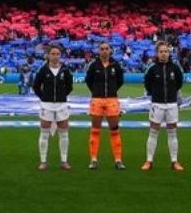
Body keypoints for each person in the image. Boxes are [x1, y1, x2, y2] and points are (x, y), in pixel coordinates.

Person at [140, 43, 185, 172]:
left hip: (171, 104)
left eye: (166, 51)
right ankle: (149, 161)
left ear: (169, 53)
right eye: (161, 51)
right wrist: (156, 94)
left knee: (172, 133)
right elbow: (148, 85)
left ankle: (174, 161)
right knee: (153, 132)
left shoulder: (175, 68)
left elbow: (179, 83)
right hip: (157, 104)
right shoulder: (152, 68)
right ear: (157, 53)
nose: (164, 53)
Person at [84, 41, 126, 170]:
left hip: (112, 100)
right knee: (95, 129)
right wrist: (97, 91)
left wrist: (112, 91)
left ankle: (118, 160)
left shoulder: (116, 65)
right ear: (98, 51)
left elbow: (120, 81)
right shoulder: (93, 65)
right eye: (102, 49)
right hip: (97, 100)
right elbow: (88, 81)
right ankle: (93, 159)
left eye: (107, 48)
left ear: (110, 50)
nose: (104, 51)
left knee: (114, 129)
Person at [32, 45, 74, 171]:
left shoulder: (65, 70)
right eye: (53, 54)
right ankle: (43, 161)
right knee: (44, 134)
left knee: (64, 134)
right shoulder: (42, 70)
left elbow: (69, 87)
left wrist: (61, 96)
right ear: (48, 55)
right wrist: (45, 97)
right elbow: (36, 86)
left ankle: (64, 161)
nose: (55, 56)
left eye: (58, 54)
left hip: (61, 105)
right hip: (46, 105)